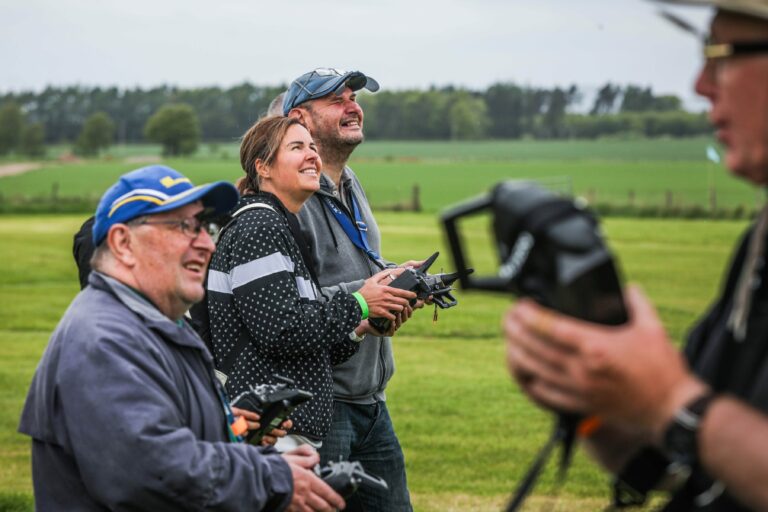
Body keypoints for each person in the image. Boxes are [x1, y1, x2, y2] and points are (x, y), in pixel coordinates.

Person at [504, 2, 768, 510]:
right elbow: (692, 468)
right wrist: (593, 406)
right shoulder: (757, 247)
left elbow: (686, 418)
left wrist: (671, 403)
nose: (700, 85)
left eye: (721, 55)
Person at [19, 164, 345, 511]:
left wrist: (227, 430)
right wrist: (271, 477)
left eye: (206, 227)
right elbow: (149, 471)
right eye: (183, 227)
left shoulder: (162, 326)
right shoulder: (103, 342)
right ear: (123, 243)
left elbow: (161, 438)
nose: (206, 243)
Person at [206, 116, 415, 450]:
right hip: (269, 431)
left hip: (282, 426)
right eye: (297, 147)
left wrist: (360, 325)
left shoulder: (279, 226)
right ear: (264, 167)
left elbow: (304, 347)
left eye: (313, 147)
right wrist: (360, 302)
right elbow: (282, 331)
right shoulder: (261, 227)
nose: (312, 156)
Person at [282, 68, 422, 511]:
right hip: (323, 405)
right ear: (300, 119)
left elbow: (356, 269)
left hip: (372, 401)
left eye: (353, 98)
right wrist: (366, 293)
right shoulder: (290, 197)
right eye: (336, 100)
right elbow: (287, 307)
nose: (352, 106)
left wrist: (395, 287)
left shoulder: (351, 182)